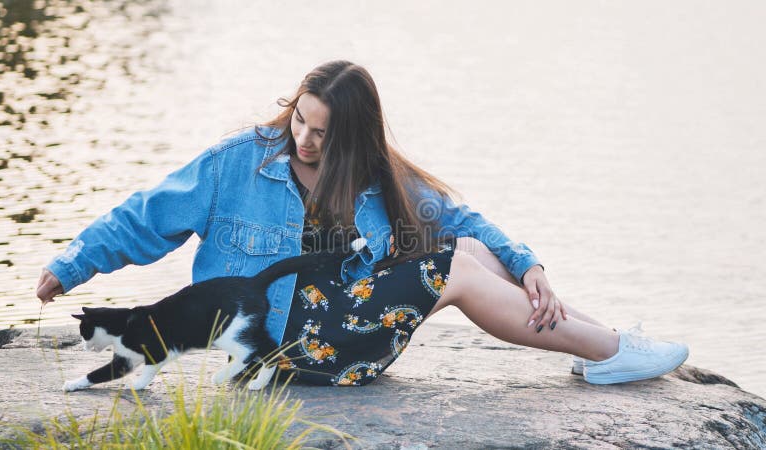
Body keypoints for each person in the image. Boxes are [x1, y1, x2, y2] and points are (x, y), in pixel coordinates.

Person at [36, 60, 688, 386]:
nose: (305, 140)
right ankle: (605, 354)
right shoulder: (235, 165)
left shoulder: (373, 173)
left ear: (351, 133)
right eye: (300, 120)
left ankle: (600, 342)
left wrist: (529, 264)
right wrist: (69, 266)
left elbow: (459, 216)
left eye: (322, 132)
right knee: (455, 264)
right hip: (286, 351)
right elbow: (147, 218)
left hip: (337, 329)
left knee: (465, 245)